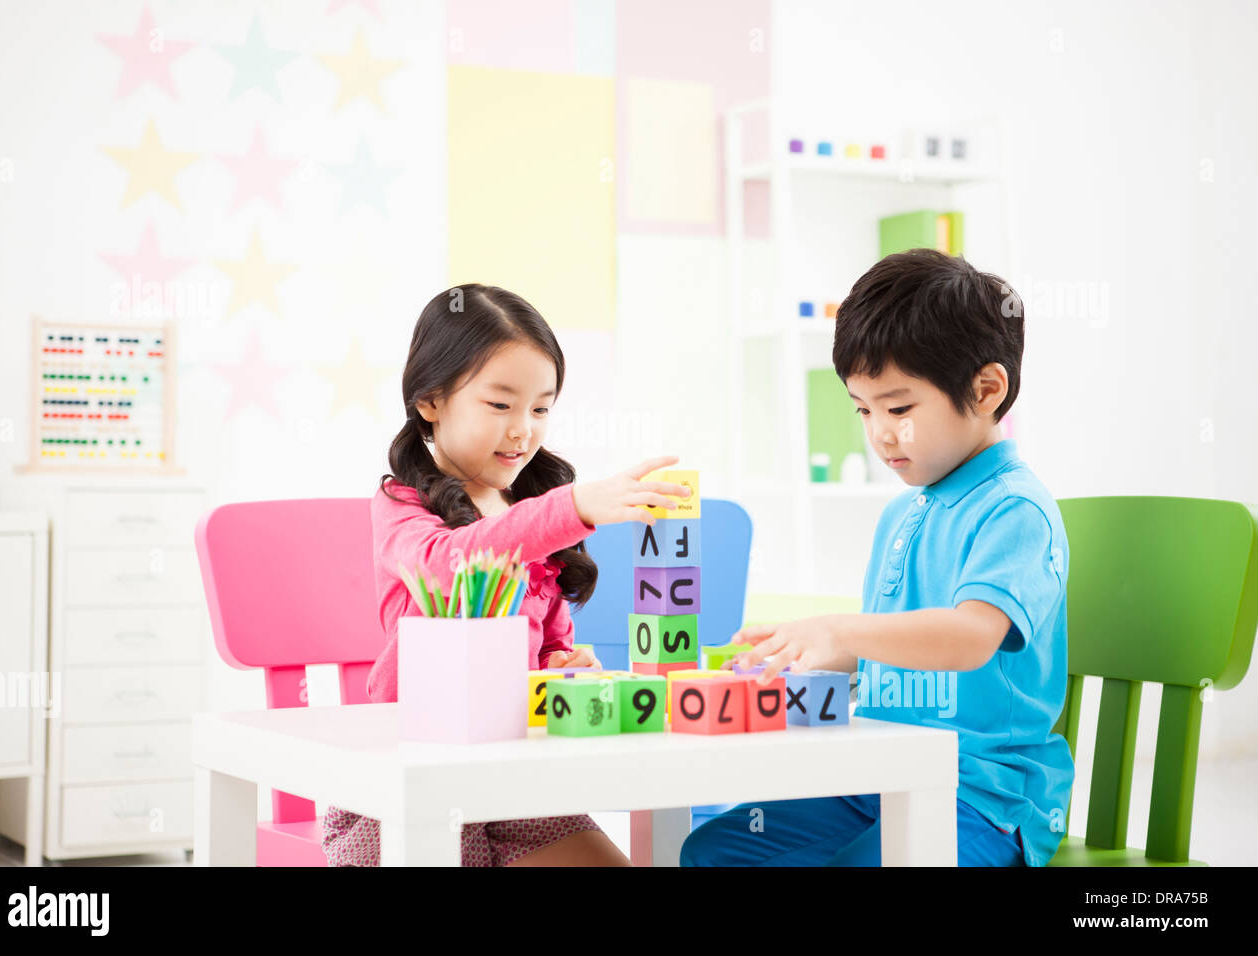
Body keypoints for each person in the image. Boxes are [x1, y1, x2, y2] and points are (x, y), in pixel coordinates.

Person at [681, 249, 1074, 867]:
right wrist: (798, 662)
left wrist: (840, 628)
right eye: (863, 409)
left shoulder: (1015, 509)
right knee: (715, 850)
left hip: (976, 798)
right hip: (875, 775)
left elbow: (970, 638)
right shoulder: (906, 511)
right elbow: (880, 652)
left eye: (899, 408)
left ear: (986, 389)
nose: (879, 433)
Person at [322, 282, 691, 866]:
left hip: (515, 783)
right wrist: (573, 509)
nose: (524, 429)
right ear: (431, 400)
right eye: (500, 405)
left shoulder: (530, 507)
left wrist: (562, 669)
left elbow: (545, 646)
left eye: (540, 408)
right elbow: (450, 565)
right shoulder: (403, 507)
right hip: (405, 778)